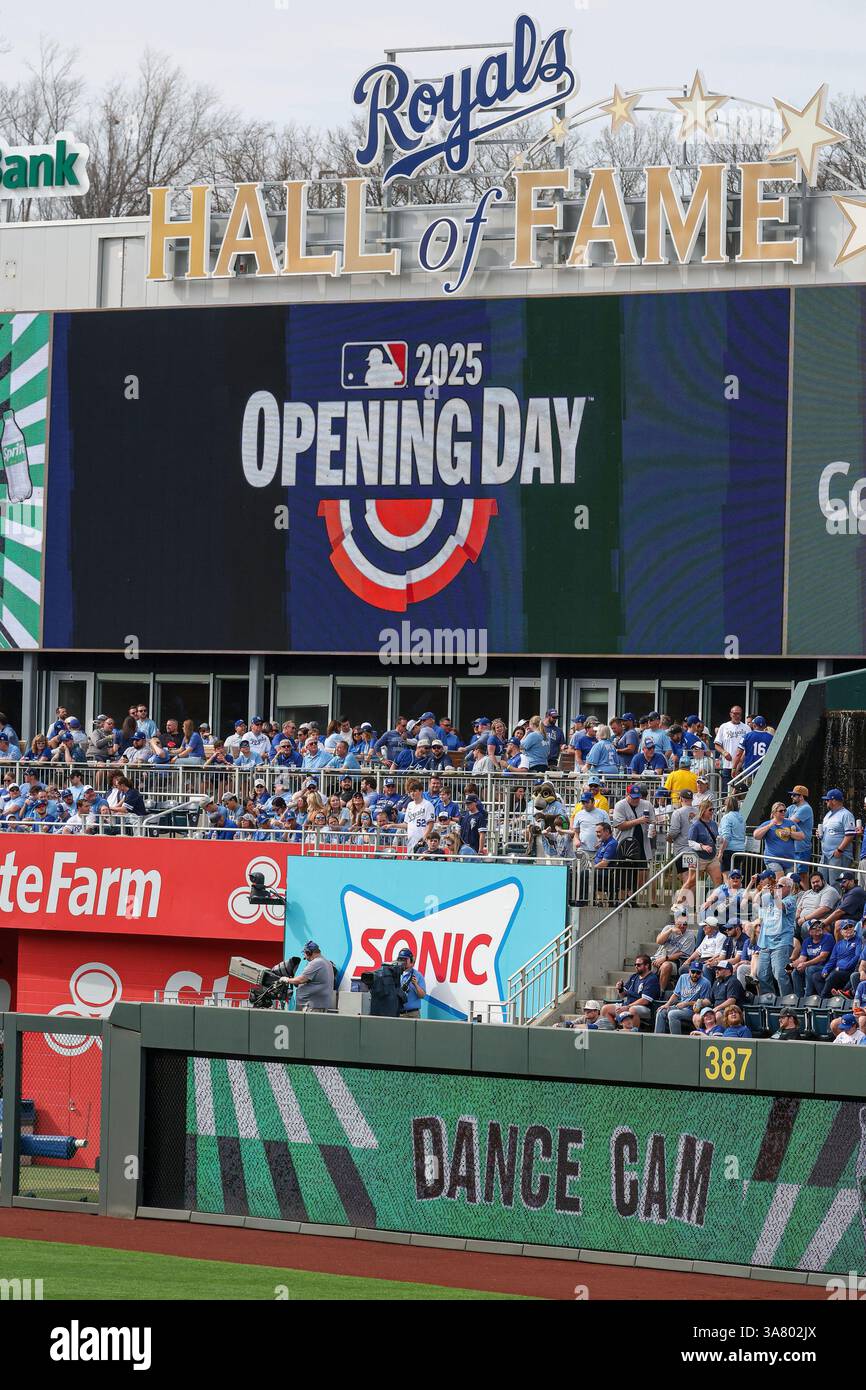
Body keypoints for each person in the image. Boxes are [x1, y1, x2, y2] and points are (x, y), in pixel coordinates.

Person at [756, 871, 797, 995]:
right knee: (761, 974)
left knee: (780, 973)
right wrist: (763, 891)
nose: (777, 888)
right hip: (765, 942)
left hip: (782, 942)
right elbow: (757, 902)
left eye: (780, 886)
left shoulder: (791, 899)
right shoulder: (771, 898)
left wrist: (773, 893)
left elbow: (781, 906)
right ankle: (769, 1001)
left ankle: (787, 1002)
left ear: (788, 888)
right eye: (777, 885)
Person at [599, 953, 659, 1029]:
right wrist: (620, 989)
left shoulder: (652, 979)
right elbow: (623, 995)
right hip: (628, 1004)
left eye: (638, 965)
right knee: (605, 1009)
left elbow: (645, 1000)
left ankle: (634, 1035)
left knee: (632, 1010)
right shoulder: (634, 976)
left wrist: (627, 1007)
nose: (636, 966)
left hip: (646, 1007)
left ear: (647, 965)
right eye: (635, 965)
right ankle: (613, 1032)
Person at [277, 942, 335, 1012]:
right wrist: (296, 982)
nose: (305, 958)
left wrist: (287, 979)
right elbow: (310, 980)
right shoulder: (326, 962)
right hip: (318, 1004)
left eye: (305, 954)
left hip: (312, 1006)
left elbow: (301, 979)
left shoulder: (316, 963)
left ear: (308, 952)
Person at [786, 919, 836, 998]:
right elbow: (802, 958)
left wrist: (805, 964)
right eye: (814, 927)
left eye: (819, 926)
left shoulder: (828, 937)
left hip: (826, 967)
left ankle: (807, 997)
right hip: (812, 966)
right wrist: (790, 966)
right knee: (794, 971)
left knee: (809, 969)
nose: (817, 928)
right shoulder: (807, 941)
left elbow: (822, 957)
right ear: (809, 931)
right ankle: (799, 998)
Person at [654, 961, 705, 1035]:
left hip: (693, 1011)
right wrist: (667, 1004)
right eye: (693, 972)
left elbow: (704, 1002)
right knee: (661, 1011)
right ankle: (657, 1038)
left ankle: (677, 1041)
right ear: (689, 971)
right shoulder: (683, 977)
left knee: (672, 1014)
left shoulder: (705, 983)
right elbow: (675, 994)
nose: (695, 975)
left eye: (698, 973)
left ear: (701, 973)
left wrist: (686, 1003)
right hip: (680, 1008)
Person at [753, 801, 805, 875]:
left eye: (784, 810)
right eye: (781, 811)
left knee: (790, 881)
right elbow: (756, 835)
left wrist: (789, 833)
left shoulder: (790, 823)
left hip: (789, 860)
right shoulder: (768, 823)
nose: (783, 812)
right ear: (774, 813)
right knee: (779, 875)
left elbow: (802, 836)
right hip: (773, 859)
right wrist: (769, 826)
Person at [819, 789, 857, 885]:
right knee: (822, 882)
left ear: (834, 801)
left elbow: (850, 835)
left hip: (839, 855)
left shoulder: (846, 814)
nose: (826, 802)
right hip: (825, 855)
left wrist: (839, 850)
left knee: (836, 884)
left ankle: (839, 900)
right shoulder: (828, 814)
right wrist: (819, 833)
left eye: (827, 800)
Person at [651, 916, 697, 992]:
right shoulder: (668, 928)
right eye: (680, 923)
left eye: (685, 924)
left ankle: (660, 993)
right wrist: (670, 931)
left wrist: (664, 959)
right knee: (643, 963)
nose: (682, 926)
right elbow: (659, 941)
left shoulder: (689, 936)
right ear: (675, 922)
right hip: (658, 957)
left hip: (674, 961)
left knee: (666, 966)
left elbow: (681, 954)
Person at [818, 919, 861, 999]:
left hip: (849, 971)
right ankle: (831, 999)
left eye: (850, 926)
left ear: (854, 928)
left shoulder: (858, 940)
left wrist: (844, 967)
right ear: (841, 932)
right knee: (816, 976)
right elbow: (832, 960)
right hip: (838, 970)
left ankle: (823, 999)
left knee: (834, 975)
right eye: (845, 928)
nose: (848, 929)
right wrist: (825, 970)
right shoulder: (838, 944)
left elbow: (857, 956)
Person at [785, 786, 815, 886]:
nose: (792, 797)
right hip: (792, 847)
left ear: (801, 797)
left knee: (802, 875)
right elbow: (779, 814)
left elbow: (790, 821)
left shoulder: (806, 808)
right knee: (792, 874)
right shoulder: (793, 807)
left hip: (802, 847)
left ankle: (806, 895)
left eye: (794, 795)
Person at [714, 705, 746, 792]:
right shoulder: (724, 727)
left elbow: (748, 748)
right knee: (726, 792)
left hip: (741, 766)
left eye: (739, 714)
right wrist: (724, 752)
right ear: (730, 714)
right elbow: (716, 745)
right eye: (734, 713)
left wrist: (740, 762)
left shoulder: (746, 728)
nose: (736, 716)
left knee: (740, 793)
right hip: (727, 765)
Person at [716, 794, 746, 874]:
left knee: (727, 876)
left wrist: (721, 852)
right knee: (736, 876)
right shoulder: (742, 818)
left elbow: (727, 836)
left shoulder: (726, 817)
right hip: (740, 850)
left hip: (729, 850)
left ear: (727, 805)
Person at [396, 948, 427, 1018]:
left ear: (412, 961)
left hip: (412, 1014)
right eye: (400, 959)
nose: (402, 962)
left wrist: (415, 985)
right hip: (398, 1013)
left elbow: (422, 996)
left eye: (405, 960)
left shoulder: (418, 975)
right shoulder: (395, 974)